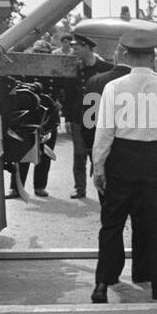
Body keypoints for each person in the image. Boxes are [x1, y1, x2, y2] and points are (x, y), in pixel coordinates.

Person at [91, 29, 157, 303]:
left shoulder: (114, 88)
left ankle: (102, 283)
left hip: (122, 158)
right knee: (155, 225)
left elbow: (104, 131)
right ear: (154, 55)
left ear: (126, 55)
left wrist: (99, 167)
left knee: (112, 223)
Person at [63, 33, 113, 199]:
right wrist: (68, 118)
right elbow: (68, 95)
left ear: (87, 47)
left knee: (99, 153)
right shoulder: (75, 69)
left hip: (100, 117)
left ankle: (103, 186)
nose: (73, 51)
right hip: (79, 117)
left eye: (76, 47)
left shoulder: (106, 68)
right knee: (79, 155)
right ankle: (80, 188)